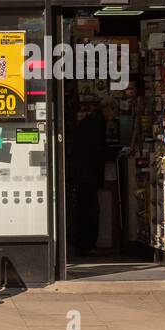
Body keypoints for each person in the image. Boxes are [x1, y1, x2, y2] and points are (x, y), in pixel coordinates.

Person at [72, 97, 119, 256]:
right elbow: (96, 149)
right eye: (114, 111)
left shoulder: (92, 120)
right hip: (88, 174)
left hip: (83, 173)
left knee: (85, 208)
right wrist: (114, 153)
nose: (114, 116)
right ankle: (86, 245)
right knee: (90, 210)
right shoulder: (96, 123)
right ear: (108, 108)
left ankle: (84, 244)